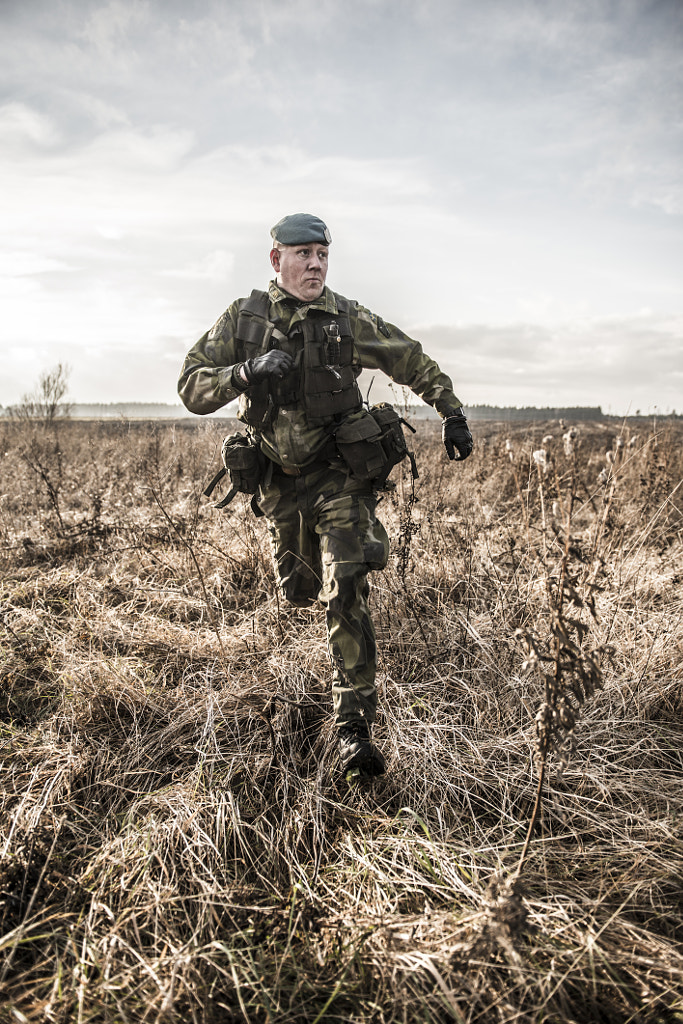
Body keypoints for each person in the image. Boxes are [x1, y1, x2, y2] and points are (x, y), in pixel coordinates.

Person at [178, 213, 473, 780]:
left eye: (322, 254)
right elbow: (191, 385)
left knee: (346, 585)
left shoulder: (345, 318)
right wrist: (244, 372)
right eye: (303, 254)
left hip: (339, 474)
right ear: (276, 261)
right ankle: (322, 592)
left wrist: (451, 410)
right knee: (300, 589)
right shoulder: (244, 320)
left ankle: (354, 728)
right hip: (279, 482)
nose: (315, 264)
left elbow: (407, 355)